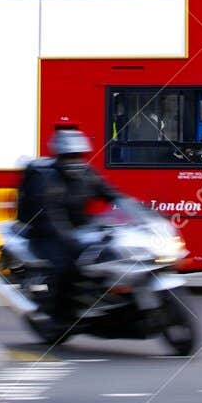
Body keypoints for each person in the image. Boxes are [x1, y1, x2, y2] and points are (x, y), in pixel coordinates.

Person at [16, 121, 129, 330]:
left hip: (79, 229)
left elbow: (112, 194)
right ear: (59, 157)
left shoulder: (88, 174)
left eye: (78, 155)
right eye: (69, 156)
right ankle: (61, 319)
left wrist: (138, 210)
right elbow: (52, 216)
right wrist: (71, 239)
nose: (74, 160)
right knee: (69, 267)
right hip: (45, 234)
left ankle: (103, 299)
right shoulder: (47, 181)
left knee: (112, 253)